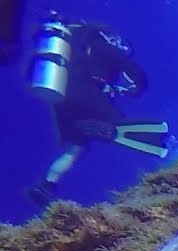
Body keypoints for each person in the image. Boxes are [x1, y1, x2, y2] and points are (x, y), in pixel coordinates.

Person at [25, 11, 169, 208]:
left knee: (76, 147)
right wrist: (138, 88)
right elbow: (133, 70)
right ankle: (148, 138)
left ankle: (46, 185)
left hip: (60, 101)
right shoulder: (102, 45)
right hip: (85, 92)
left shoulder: (76, 48)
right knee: (116, 123)